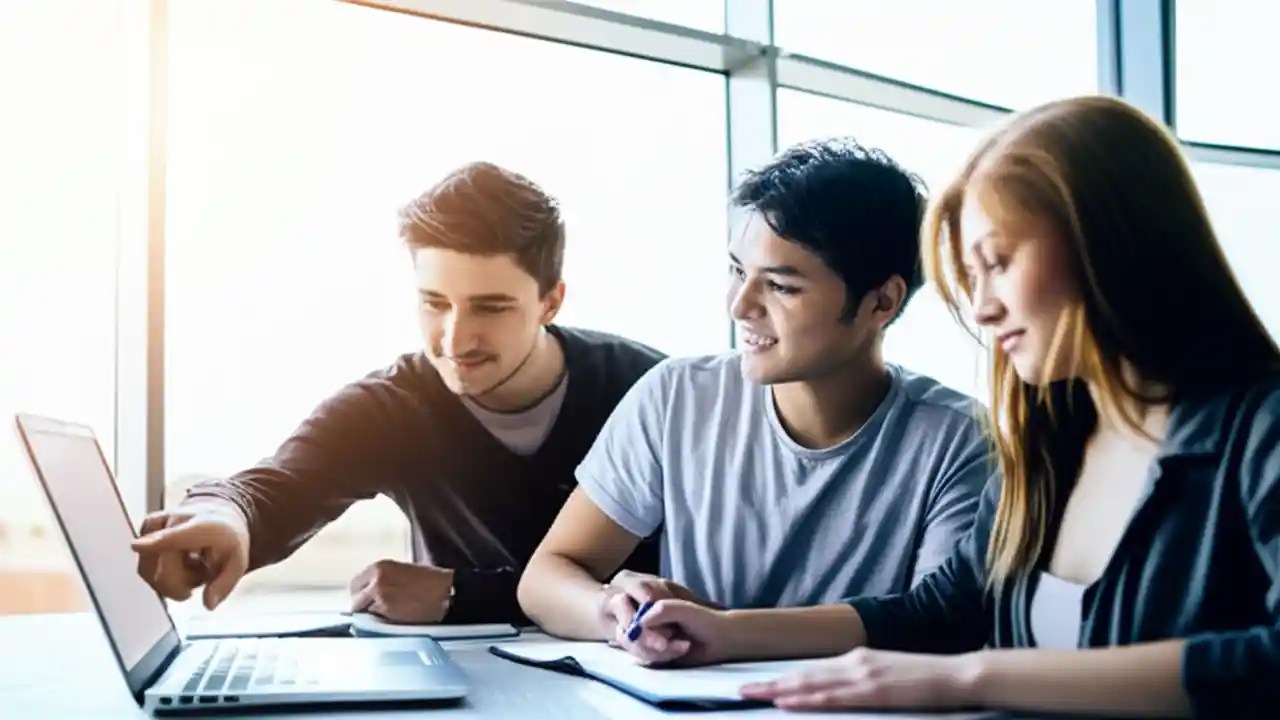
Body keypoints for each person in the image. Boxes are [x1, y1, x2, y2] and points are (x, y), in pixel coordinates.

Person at [621, 97, 1280, 718]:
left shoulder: (1260, 429)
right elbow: (942, 611)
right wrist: (728, 634)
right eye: (971, 277)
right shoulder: (1053, 440)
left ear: (1110, 242)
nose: (984, 308)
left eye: (998, 263)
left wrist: (971, 677)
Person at [132, 162, 664, 624]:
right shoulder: (395, 407)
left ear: (551, 302)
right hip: (471, 691)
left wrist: (462, 594)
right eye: (434, 302)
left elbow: (678, 593)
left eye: (490, 307)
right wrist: (221, 514)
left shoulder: (647, 393)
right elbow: (278, 486)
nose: (455, 339)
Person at [518, 138, 993, 643]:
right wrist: (611, 610)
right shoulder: (677, 397)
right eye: (738, 271)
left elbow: (937, 627)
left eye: (781, 286)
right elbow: (547, 577)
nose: (740, 305)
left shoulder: (958, 442)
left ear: (882, 302)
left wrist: (725, 633)